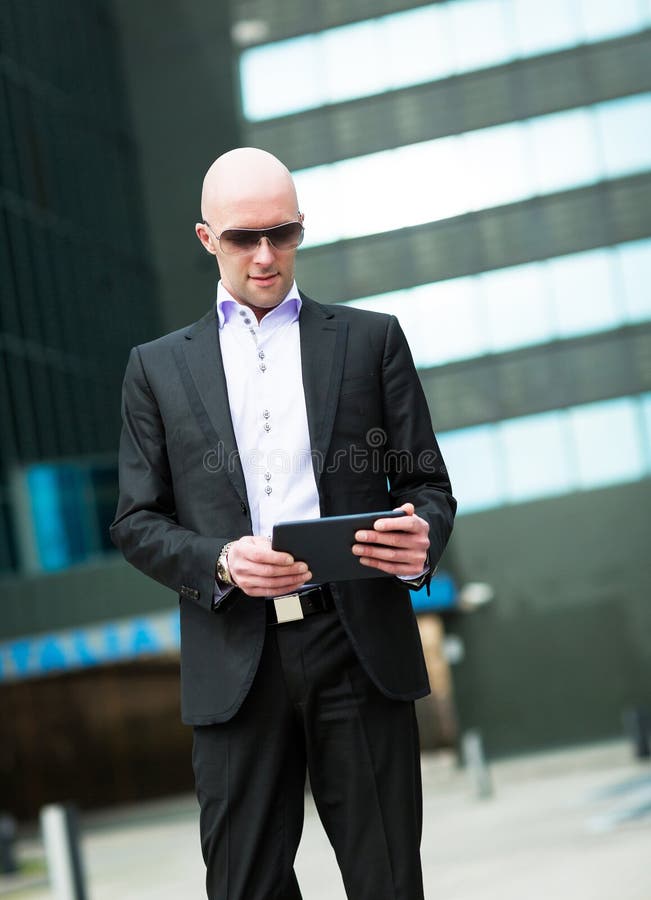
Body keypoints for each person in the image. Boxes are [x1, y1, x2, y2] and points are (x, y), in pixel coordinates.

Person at [110, 147, 456, 900]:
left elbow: (428, 486)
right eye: (243, 238)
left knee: (388, 882)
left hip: (356, 644)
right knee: (243, 887)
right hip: (236, 655)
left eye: (283, 233)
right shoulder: (156, 369)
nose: (265, 256)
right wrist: (222, 562)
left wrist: (416, 540)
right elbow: (137, 521)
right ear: (207, 239)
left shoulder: (371, 341)